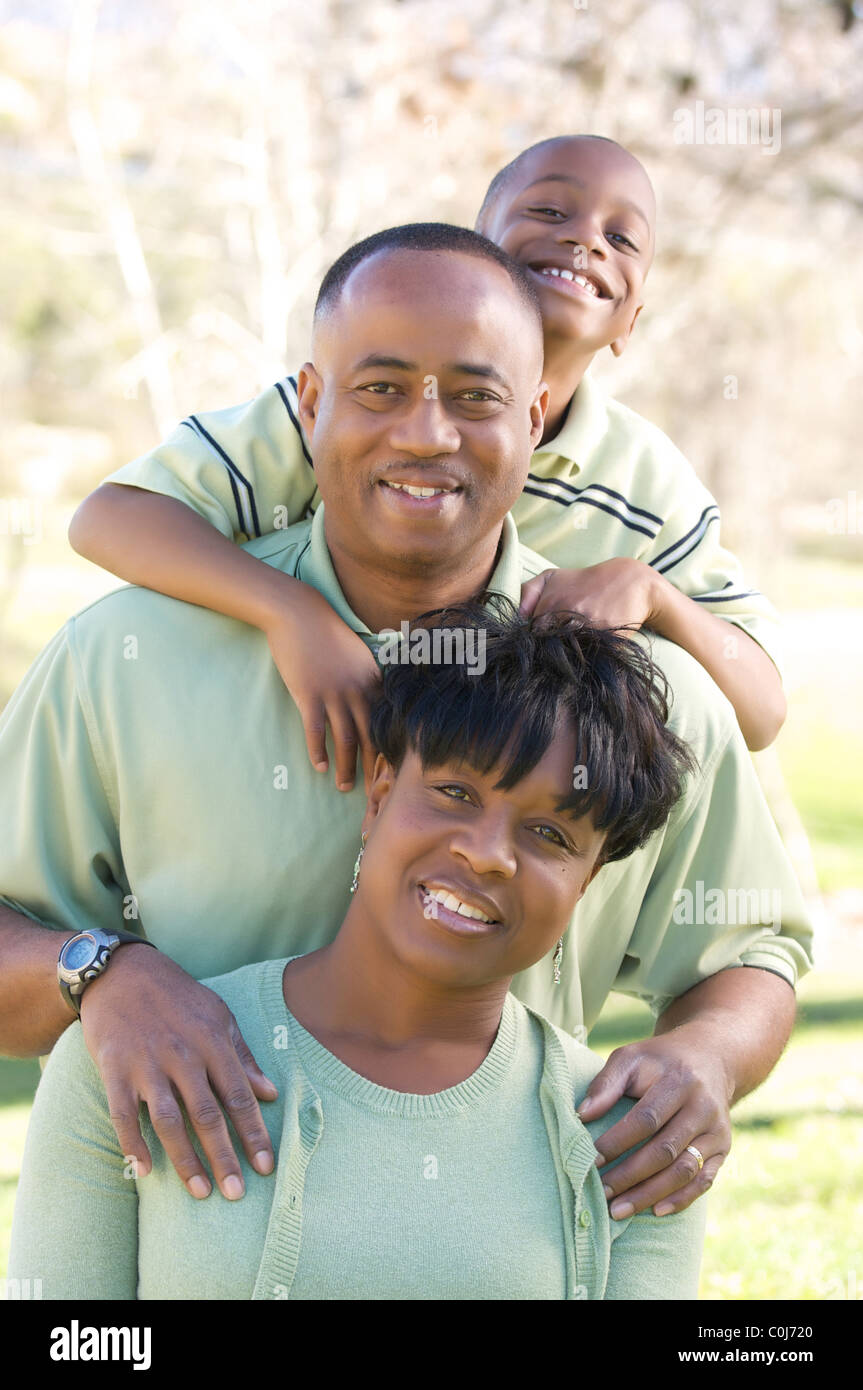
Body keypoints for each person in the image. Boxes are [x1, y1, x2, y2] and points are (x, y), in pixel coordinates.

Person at [0, 225, 810, 1228]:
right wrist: (98, 974)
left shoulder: (644, 695)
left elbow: (749, 949)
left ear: (536, 412)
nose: (426, 432)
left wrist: (705, 1058)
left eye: (474, 396)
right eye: (380, 387)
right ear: (309, 403)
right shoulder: (121, 658)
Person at [9, 601, 706, 1301]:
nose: (487, 853)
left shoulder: (637, 1137)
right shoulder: (137, 1054)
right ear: (377, 795)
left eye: (551, 835)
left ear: (585, 885)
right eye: (455, 791)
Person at [67, 134, 785, 798]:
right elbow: (109, 519)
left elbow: (759, 713)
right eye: (548, 208)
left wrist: (652, 593)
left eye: (620, 236)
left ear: (630, 322)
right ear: (475, 255)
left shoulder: (645, 482)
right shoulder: (341, 413)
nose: (584, 238)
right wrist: (290, 612)